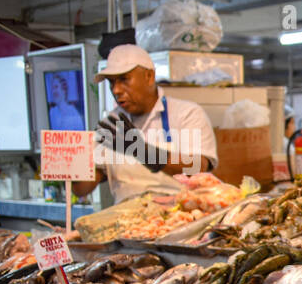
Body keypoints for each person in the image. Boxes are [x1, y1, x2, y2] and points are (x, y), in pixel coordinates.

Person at [75, 45, 217, 202]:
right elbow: (82, 189)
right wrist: (71, 168)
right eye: (112, 82)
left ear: (149, 76)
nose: (116, 90)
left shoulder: (186, 113)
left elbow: (198, 166)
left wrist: (142, 151)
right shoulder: (112, 124)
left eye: (124, 79)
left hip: (181, 215)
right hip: (127, 220)